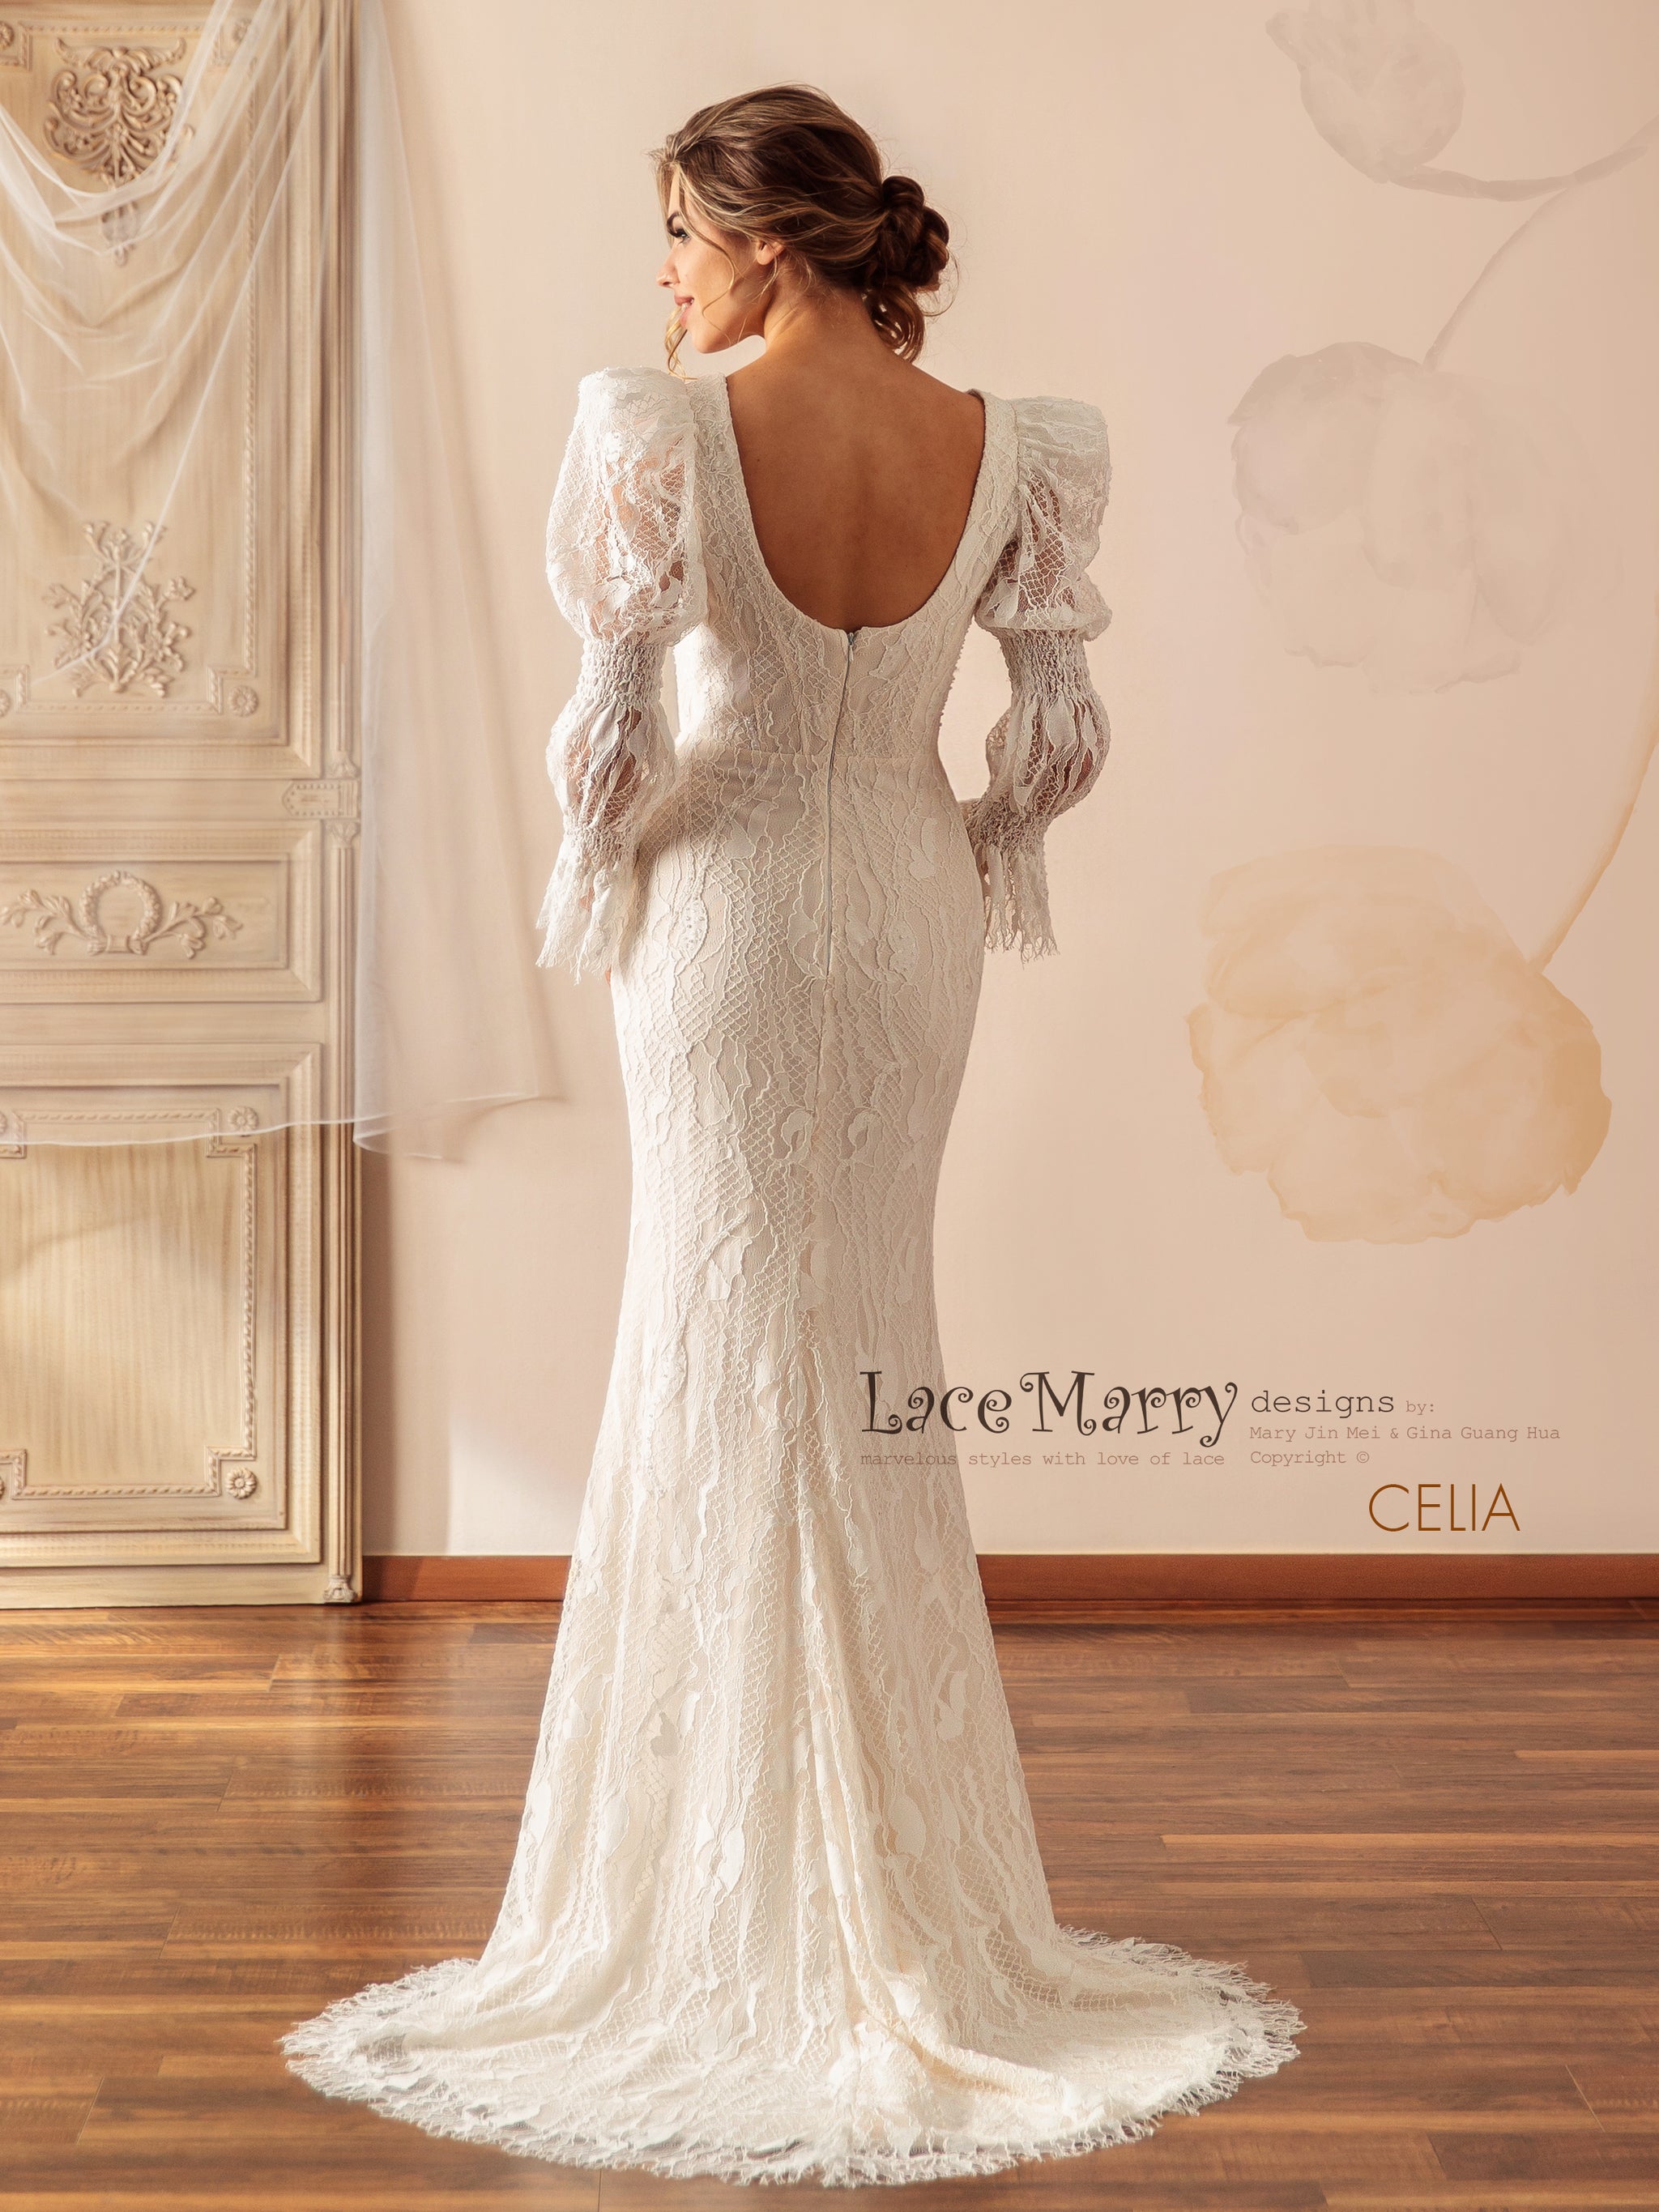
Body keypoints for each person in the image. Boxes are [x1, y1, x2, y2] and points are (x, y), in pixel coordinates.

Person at [282, 82, 1303, 2187]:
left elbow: (611, 737)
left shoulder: (659, 433)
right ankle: (898, 1886)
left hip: (727, 914)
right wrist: (983, 844)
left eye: (677, 230)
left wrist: (601, 866)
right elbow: (1056, 738)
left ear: (765, 237)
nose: (660, 274)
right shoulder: (1008, 444)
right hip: (907, 906)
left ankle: (715, 1885)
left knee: (712, 1336)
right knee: (860, 1344)